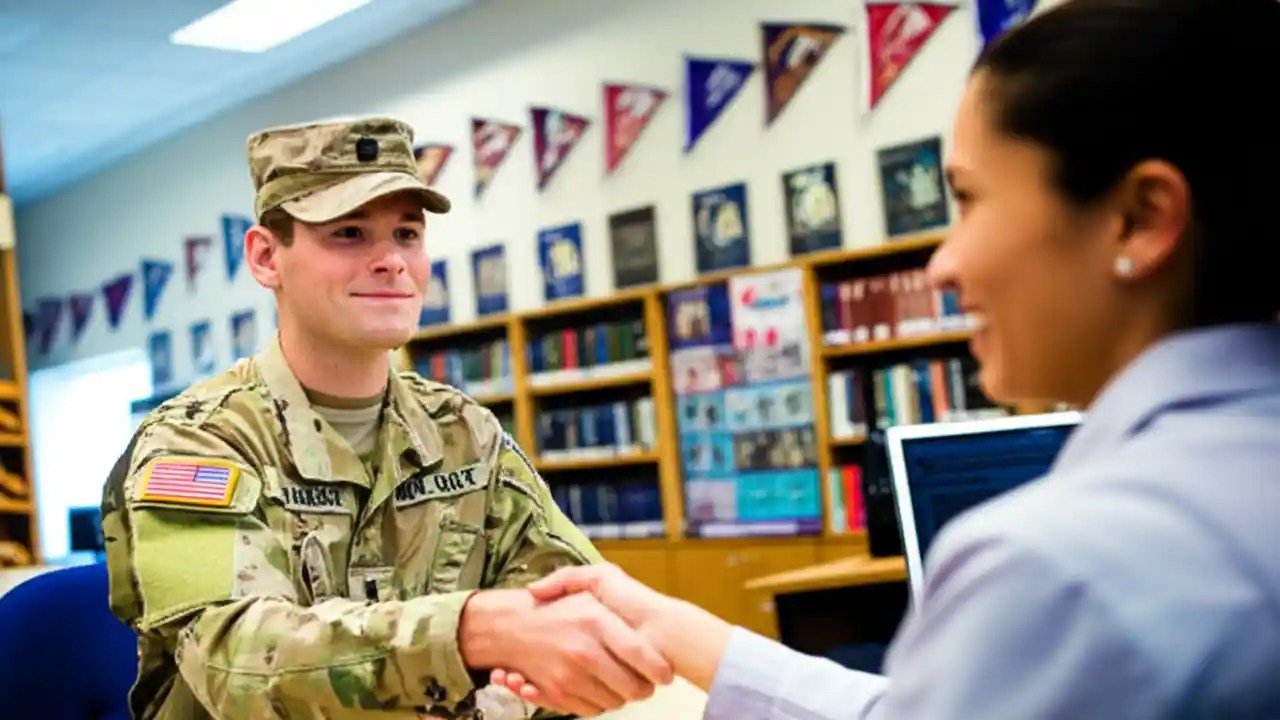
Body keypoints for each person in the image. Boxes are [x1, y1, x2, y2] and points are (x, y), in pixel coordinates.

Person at [492, 0, 1280, 717]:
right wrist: (691, 635)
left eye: (969, 199)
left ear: (1140, 220)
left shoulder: (1060, 569)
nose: (943, 265)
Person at [99, 116, 672, 719]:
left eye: (406, 233)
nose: (391, 261)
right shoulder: (198, 442)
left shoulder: (463, 433)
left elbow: (576, 607)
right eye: (348, 233)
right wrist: (470, 634)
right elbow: (237, 662)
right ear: (267, 257)